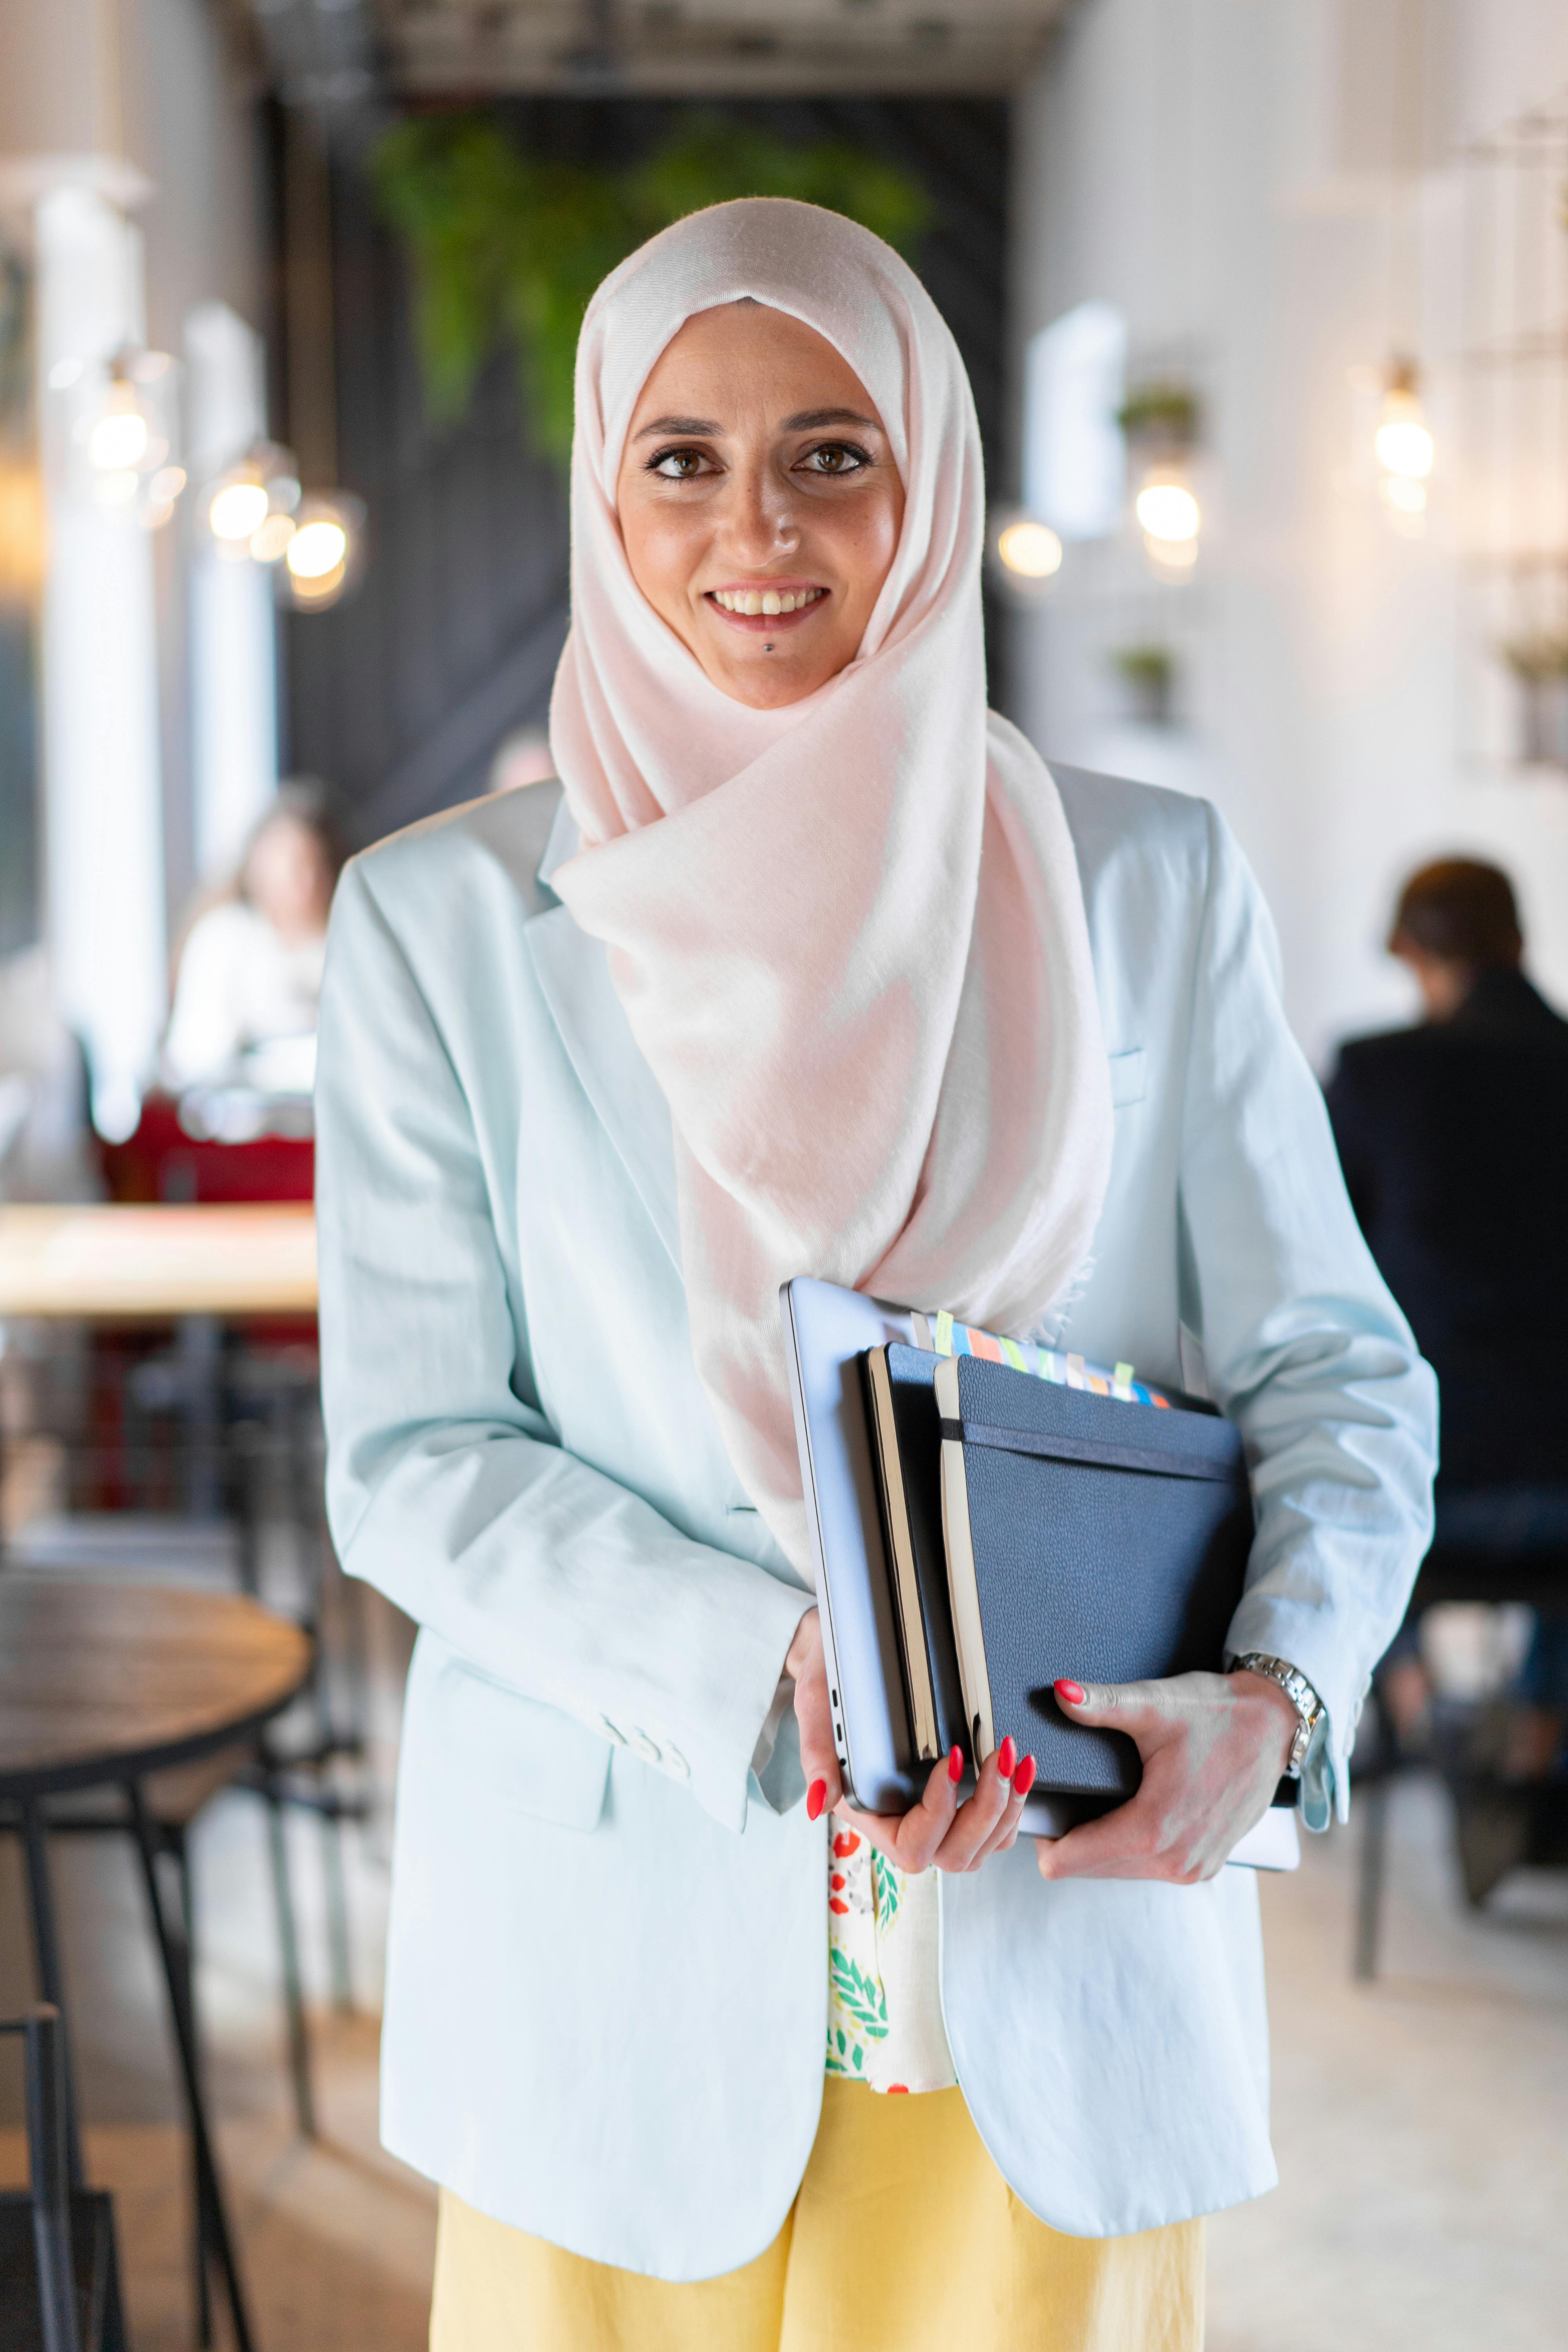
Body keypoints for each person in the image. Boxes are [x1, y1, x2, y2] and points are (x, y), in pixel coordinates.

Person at [314, 203, 1435, 2352]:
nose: (761, 531)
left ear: (931, 480)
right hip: (620, 1966)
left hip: (1060, 1940)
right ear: (598, 490)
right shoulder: (436, 930)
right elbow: (417, 1455)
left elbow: (1335, 1370)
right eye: (681, 459)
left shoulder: (1147, 882)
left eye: (835, 453)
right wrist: (766, 1664)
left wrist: (1279, 1698)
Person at [1326, 860, 1568, 1828]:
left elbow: (1319, 1283)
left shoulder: (1378, 1077)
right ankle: (1538, 1739)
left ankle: (1419, 1713)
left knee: (1329, 1465)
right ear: (1514, 942)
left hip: (1433, 1486)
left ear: (1413, 954)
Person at [163, 782, 347, 1093]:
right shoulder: (226, 939)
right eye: (294, 865)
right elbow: (197, 1058)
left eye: (317, 865)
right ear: (258, 867)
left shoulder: (348, 944)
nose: (307, 882)